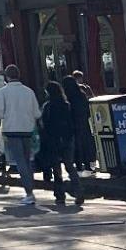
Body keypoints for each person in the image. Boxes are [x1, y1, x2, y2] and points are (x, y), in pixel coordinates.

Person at [0, 68, 39, 208]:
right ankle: (30, 189)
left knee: (20, 161)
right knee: (27, 159)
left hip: (12, 129)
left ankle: (29, 192)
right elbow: (36, 112)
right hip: (27, 129)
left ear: (6, 77)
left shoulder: (2, 93)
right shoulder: (29, 92)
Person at [40, 82, 84, 210]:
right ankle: (78, 191)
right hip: (67, 139)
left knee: (56, 168)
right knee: (70, 166)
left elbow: (44, 124)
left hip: (53, 140)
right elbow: (72, 122)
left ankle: (60, 195)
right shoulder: (66, 105)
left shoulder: (47, 106)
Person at [63, 72, 97, 170]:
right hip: (83, 122)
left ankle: (78, 164)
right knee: (85, 143)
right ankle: (87, 164)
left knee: (76, 145)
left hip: (72, 124)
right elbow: (87, 108)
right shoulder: (81, 94)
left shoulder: (66, 97)